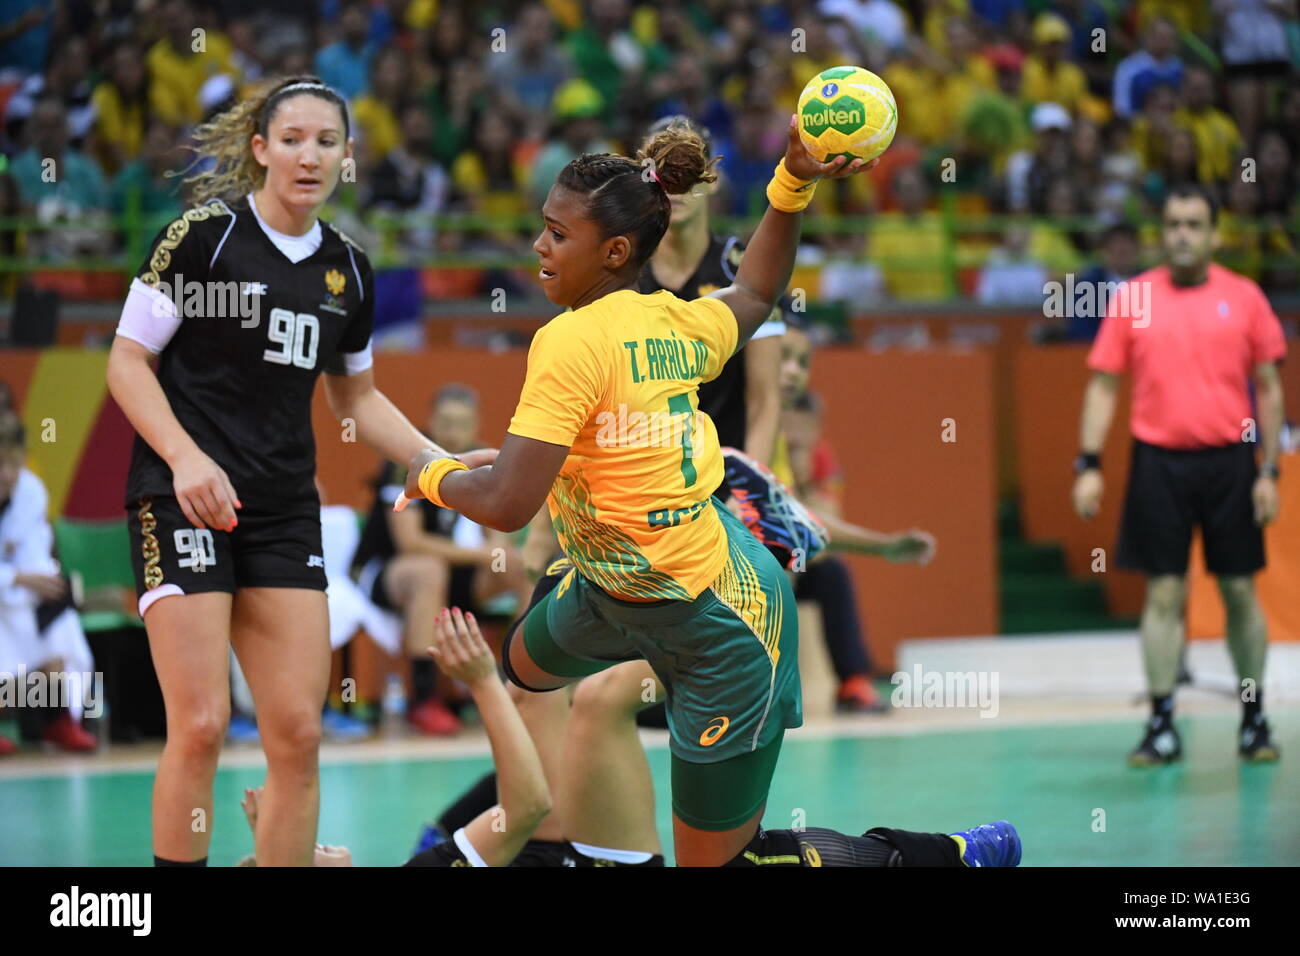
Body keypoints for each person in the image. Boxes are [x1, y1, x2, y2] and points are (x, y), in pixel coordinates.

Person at [396, 118, 1020, 867]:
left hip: (723, 618)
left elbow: (503, 504)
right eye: (542, 230)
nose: (538, 248)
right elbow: (757, 289)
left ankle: (934, 856)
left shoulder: (570, 339)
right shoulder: (669, 319)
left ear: (614, 252)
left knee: (722, 864)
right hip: (612, 589)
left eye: (556, 235)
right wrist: (791, 186)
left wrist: (431, 470)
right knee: (523, 666)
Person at [104, 75, 479, 867]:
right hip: (182, 502)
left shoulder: (348, 269)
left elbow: (359, 396)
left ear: (346, 158)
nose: (310, 155)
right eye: (294, 139)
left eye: (328, 142)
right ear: (261, 149)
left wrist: (435, 463)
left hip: (280, 512)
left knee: (299, 732)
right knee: (202, 725)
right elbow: (128, 362)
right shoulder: (201, 238)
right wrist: (185, 457)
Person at [1072, 184, 1286, 765]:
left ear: (1215, 234)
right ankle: (1162, 724)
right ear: (1162, 233)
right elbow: (1103, 384)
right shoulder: (1134, 298)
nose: (1182, 235)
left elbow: (1268, 387)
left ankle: (1254, 719)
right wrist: (1089, 463)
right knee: (1163, 592)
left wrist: (1269, 469)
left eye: (1194, 224)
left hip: (1229, 464)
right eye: (1172, 225)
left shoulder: (1245, 298)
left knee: (1240, 589)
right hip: (1158, 463)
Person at [353, 384, 529, 736]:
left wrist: (499, 550)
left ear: (476, 424)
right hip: (391, 572)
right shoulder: (408, 461)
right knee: (427, 570)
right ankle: (424, 698)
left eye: (462, 423)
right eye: (445, 422)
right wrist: (482, 553)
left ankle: (523, 683)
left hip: (457, 575)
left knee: (518, 567)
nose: (453, 431)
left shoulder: (485, 461)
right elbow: (411, 543)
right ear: (430, 422)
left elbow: (497, 535)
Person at [636, 115, 782, 471]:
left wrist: (749, 490)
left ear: (713, 180)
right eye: (663, 167)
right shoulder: (618, 268)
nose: (677, 182)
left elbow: (765, 399)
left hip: (724, 486)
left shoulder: (745, 270)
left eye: (690, 167)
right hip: (638, 486)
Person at [0, 413, 97, 755]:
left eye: (12, 463)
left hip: (22, 596)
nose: (7, 474)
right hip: (7, 594)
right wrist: (15, 578)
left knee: (60, 617)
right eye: (0, 465)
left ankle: (62, 720)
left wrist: (34, 578)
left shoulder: (30, 491)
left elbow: (33, 549)